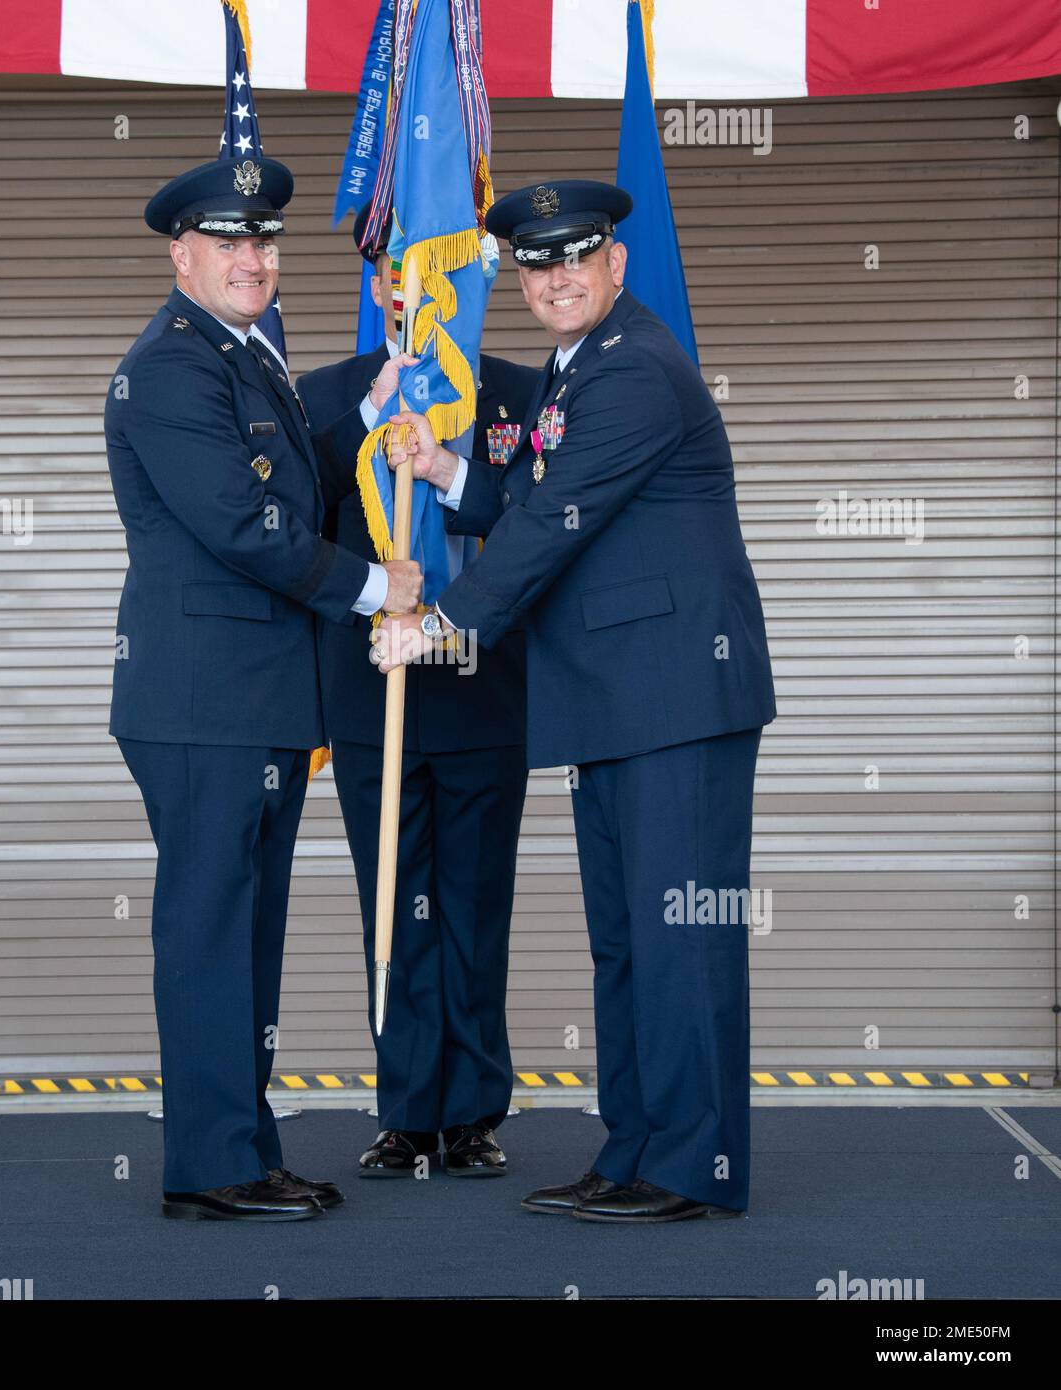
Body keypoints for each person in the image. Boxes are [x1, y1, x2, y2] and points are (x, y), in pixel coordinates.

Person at [374, 180, 776, 1222]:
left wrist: (442, 625)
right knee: (629, 938)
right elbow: (527, 495)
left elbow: (553, 521)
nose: (555, 277)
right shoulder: (580, 368)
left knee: (677, 934)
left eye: (575, 258)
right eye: (535, 264)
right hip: (619, 701)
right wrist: (445, 466)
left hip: (674, 697)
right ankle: (636, 1146)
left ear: (615, 265)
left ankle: (692, 1166)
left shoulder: (635, 368)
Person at [104, 155, 421, 1221]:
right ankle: (209, 1165)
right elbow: (245, 528)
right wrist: (380, 584)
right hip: (205, 703)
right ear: (180, 252)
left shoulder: (241, 356)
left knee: (244, 932)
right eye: (230, 241)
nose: (253, 257)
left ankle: (242, 1145)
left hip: (257, 702)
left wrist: (366, 410)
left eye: (265, 241)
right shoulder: (172, 366)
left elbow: (286, 482)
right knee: (209, 930)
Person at [296, 205, 539, 1179]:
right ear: (378, 288)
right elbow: (289, 520)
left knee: (474, 907)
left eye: (439, 277)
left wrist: (446, 468)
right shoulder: (326, 394)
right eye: (401, 278)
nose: (419, 295)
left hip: (480, 692)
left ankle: (474, 1110)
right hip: (373, 695)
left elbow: (535, 522)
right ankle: (405, 1111)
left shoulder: (514, 394)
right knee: (394, 905)